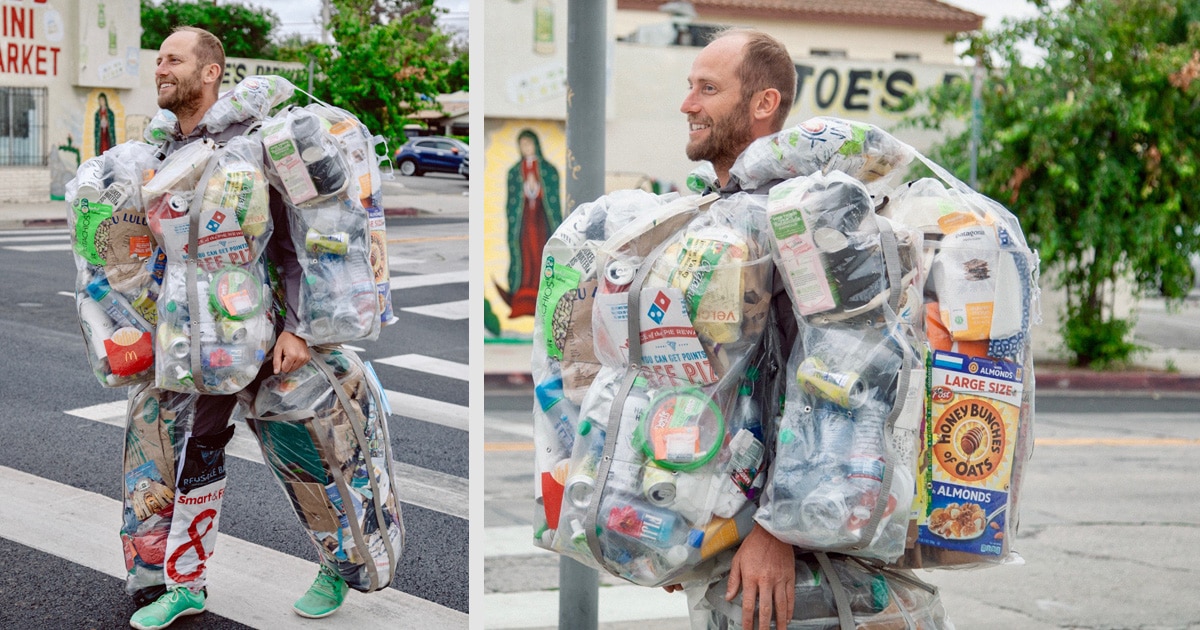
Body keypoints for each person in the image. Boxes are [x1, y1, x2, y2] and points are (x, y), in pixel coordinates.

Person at [120, 27, 339, 630]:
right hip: (194, 339)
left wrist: (300, 328)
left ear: (210, 71)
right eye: (158, 59)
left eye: (174, 59)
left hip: (267, 332)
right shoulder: (164, 149)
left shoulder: (253, 143)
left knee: (306, 452)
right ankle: (184, 583)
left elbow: (299, 240)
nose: (161, 68)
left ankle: (340, 561)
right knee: (195, 449)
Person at [669, 28, 801, 630]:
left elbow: (836, 380)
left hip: (780, 546)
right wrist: (686, 523)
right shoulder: (720, 211)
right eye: (690, 86)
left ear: (763, 103)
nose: (687, 104)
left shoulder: (797, 215)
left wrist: (779, 529)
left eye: (708, 89)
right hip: (723, 525)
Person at [496, 128, 562, 318]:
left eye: (528, 143)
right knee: (524, 252)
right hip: (523, 221)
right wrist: (527, 189)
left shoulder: (548, 170)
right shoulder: (514, 172)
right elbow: (512, 200)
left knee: (540, 252)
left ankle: (541, 290)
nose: (525, 147)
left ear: (535, 145)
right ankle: (524, 290)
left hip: (542, 220)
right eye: (522, 144)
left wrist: (537, 189)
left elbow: (553, 197)